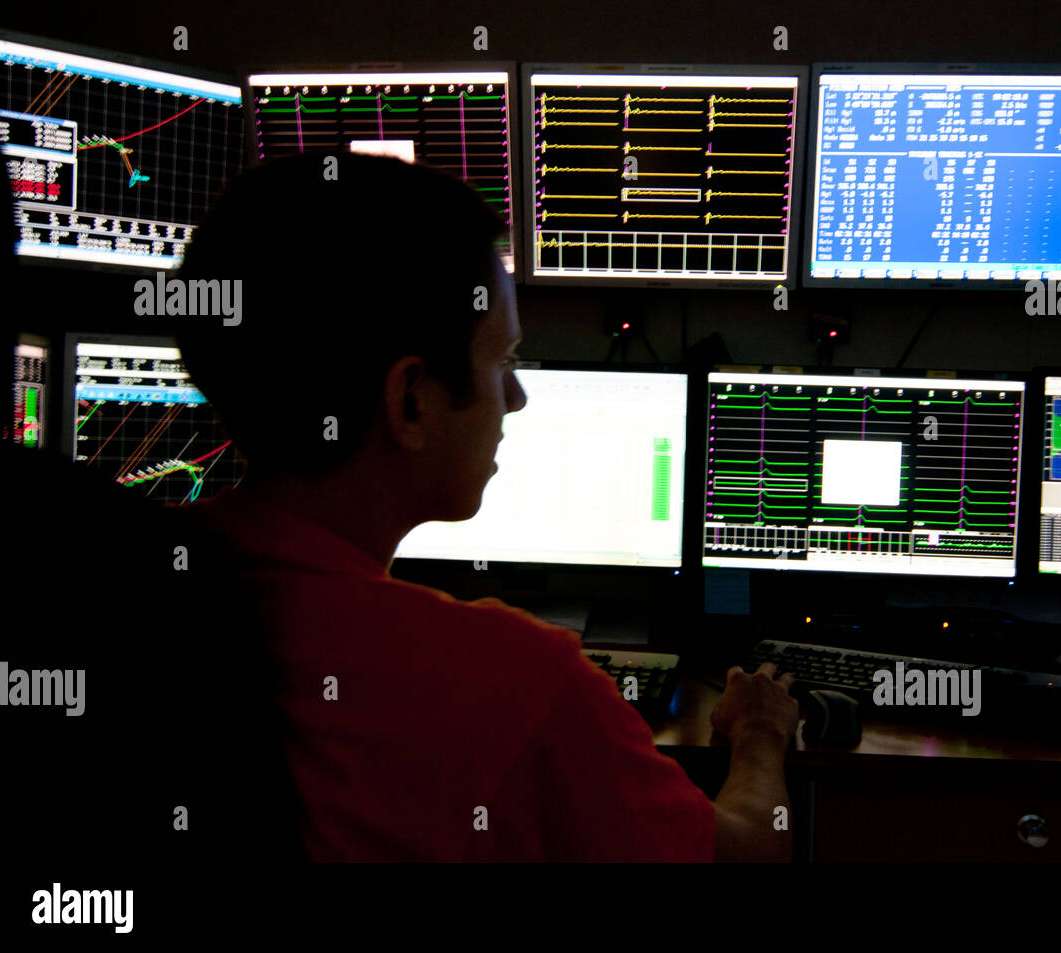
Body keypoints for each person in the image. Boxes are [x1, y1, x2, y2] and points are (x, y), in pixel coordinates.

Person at [173, 152, 799, 861]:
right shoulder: (521, 683)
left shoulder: (101, 586)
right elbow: (751, 856)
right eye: (502, 360)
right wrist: (760, 735)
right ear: (411, 399)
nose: (517, 397)